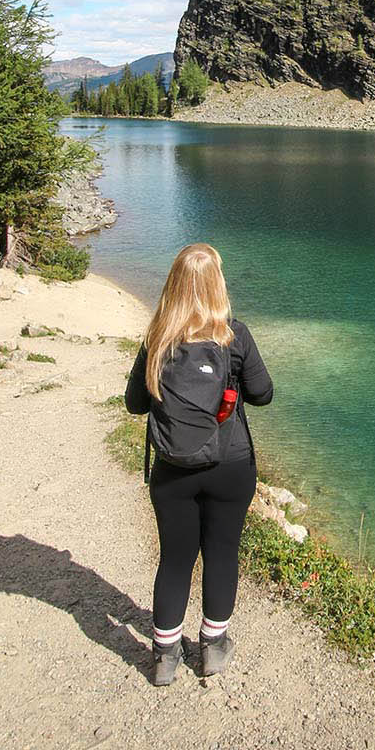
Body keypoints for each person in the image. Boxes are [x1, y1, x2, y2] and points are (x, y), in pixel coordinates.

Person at [125, 243, 273, 686]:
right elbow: (264, 394)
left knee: (174, 558)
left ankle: (165, 656)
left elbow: (134, 404)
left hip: (174, 471)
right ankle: (212, 648)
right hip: (231, 465)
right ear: (218, 285)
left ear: (173, 286)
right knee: (222, 552)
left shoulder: (157, 339)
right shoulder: (236, 336)